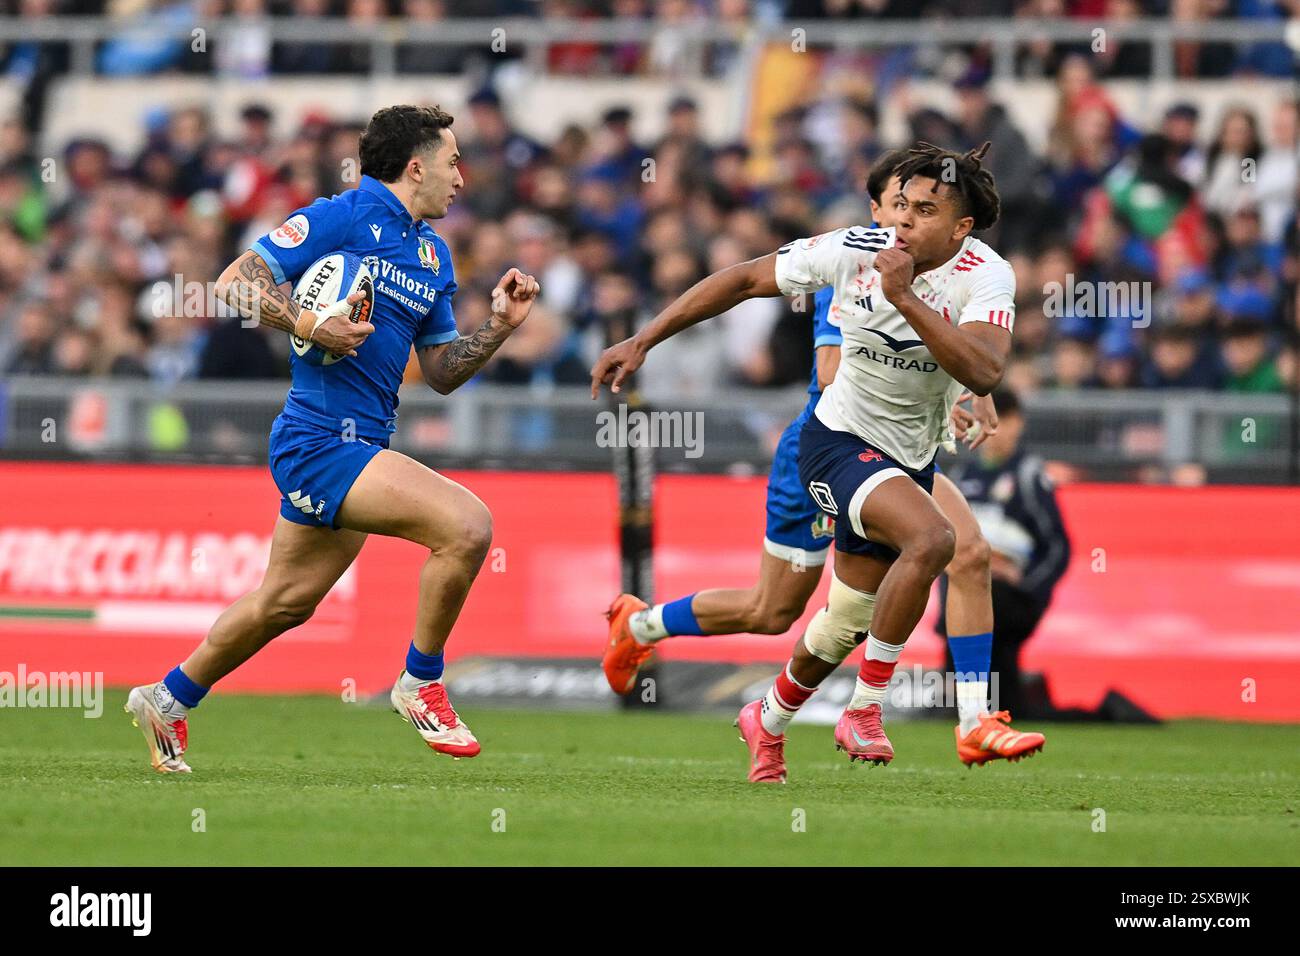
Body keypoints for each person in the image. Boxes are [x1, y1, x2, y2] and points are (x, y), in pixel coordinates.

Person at [592, 143, 1045, 782]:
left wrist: (968, 382)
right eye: (898, 206)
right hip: (830, 445)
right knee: (938, 544)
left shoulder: (985, 273)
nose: (902, 222)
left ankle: (767, 717)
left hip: (903, 456)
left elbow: (981, 359)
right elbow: (755, 290)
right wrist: (643, 340)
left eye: (921, 210)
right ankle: (926, 715)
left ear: (960, 227)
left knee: (835, 621)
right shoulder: (854, 255)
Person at [124, 105, 540, 773]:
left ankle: (165, 699)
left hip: (361, 444)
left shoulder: (432, 253)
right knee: (467, 527)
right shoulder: (342, 216)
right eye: (453, 160)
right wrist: (310, 323)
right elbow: (235, 282)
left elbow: (440, 373)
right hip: (317, 441)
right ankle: (420, 681)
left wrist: (499, 329)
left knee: (283, 604)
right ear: (416, 165)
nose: (461, 176)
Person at [938, 388, 1071, 717]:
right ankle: (961, 703)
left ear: (1016, 424)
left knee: (985, 596)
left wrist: (1027, 584)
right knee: (956, 582)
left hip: (1011, 595)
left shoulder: (1029, 475)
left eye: (1000, 421)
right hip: (968, 584)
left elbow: (1057, 545)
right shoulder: (962, 476)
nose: (991, 429)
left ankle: (972, 704)